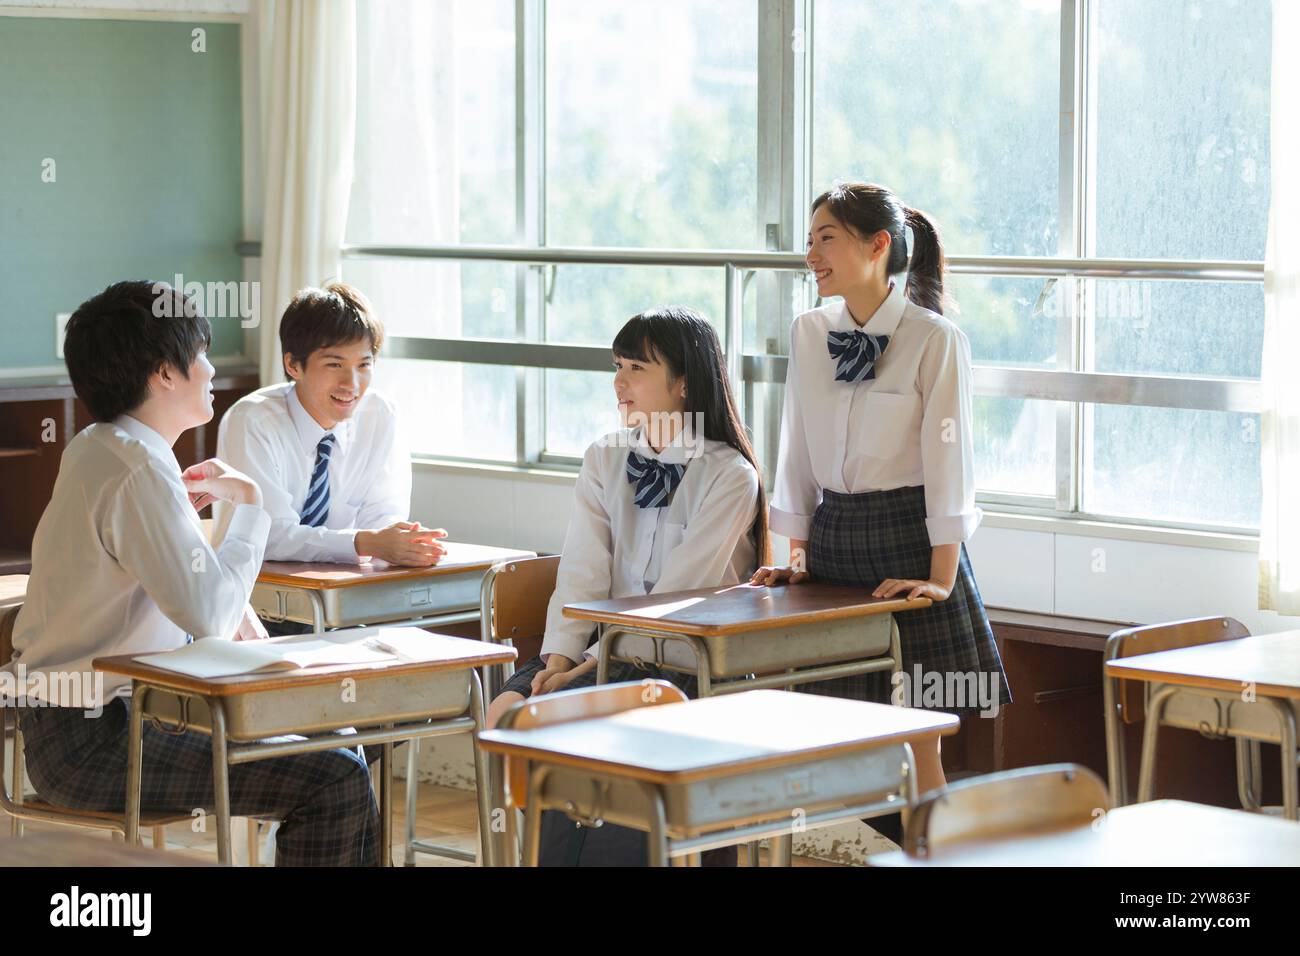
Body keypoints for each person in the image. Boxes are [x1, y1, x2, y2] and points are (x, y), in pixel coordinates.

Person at [6, 280, 380, 865]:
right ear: (164, 372)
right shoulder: (135, 468)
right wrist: (251, 505)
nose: (211, 370)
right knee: (333, 775)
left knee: (344, 746)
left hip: (116, 715)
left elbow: (203, 602)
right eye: (201, 354)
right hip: (95, 740)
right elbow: (209, 615)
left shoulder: (108, 448)